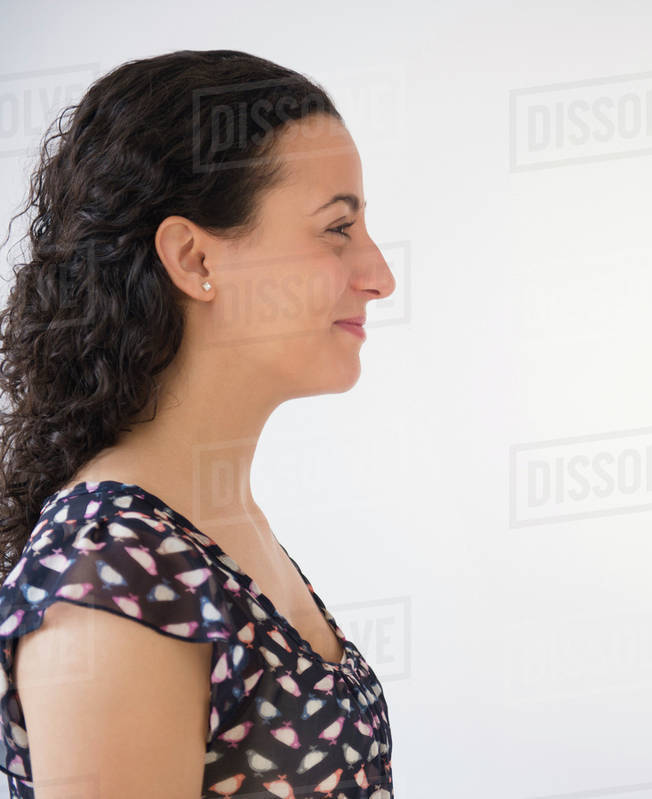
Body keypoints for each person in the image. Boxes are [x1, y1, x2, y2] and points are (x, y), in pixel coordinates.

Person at [0, 51, 396, 797]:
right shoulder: (111, 573)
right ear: (193, 257)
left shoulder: (209, 522)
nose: (379, 274)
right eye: (337, 228)